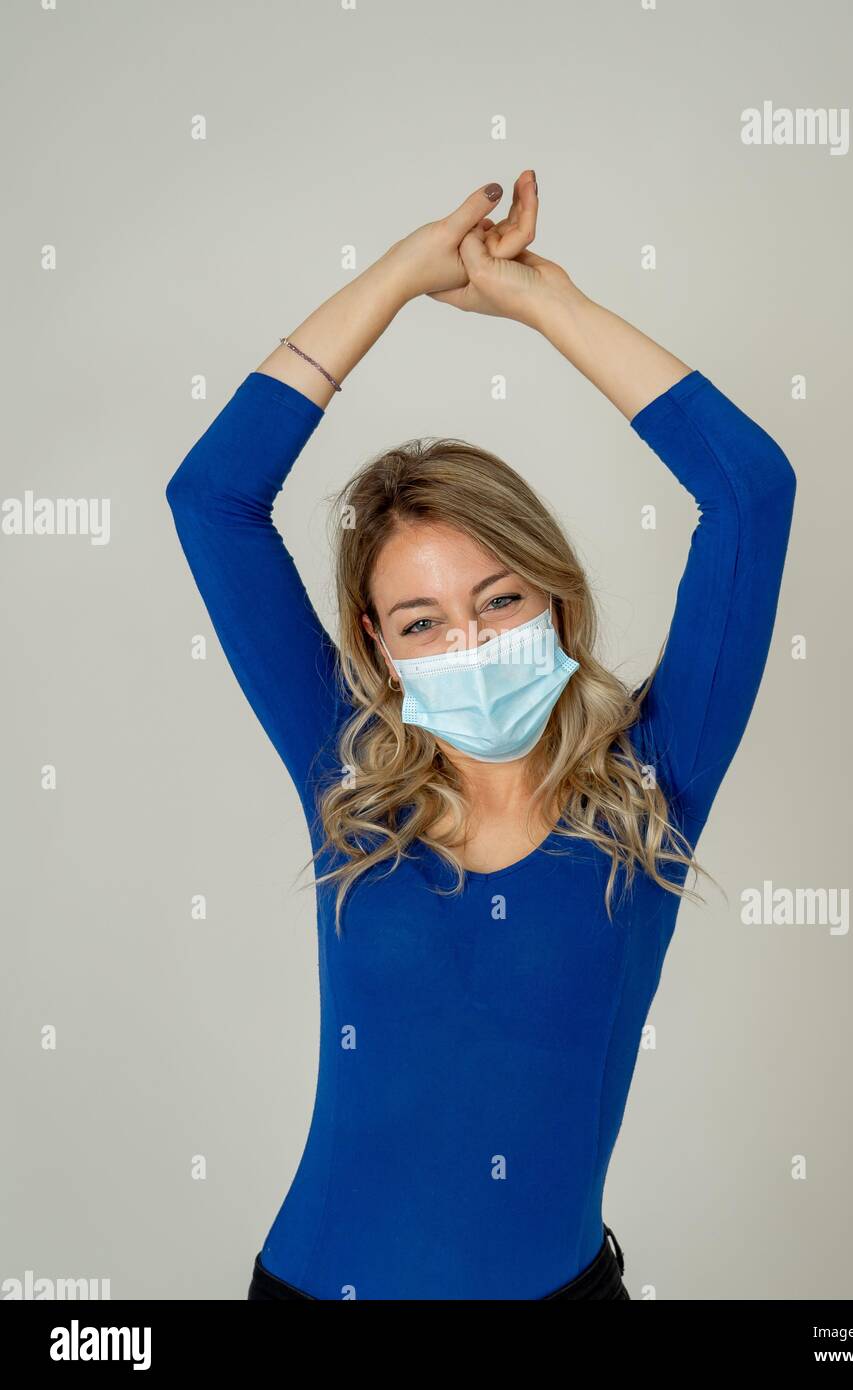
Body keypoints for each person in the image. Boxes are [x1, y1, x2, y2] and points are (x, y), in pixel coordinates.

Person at [165, 172, 796, 1300]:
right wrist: (402, 276)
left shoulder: (654, 785)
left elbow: (751, 491)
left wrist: (541, 304)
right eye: (423, 621)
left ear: (552, 590)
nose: (468, 639)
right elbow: (211, 494)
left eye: (500, 599)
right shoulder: (347, 778)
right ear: (378, 642)